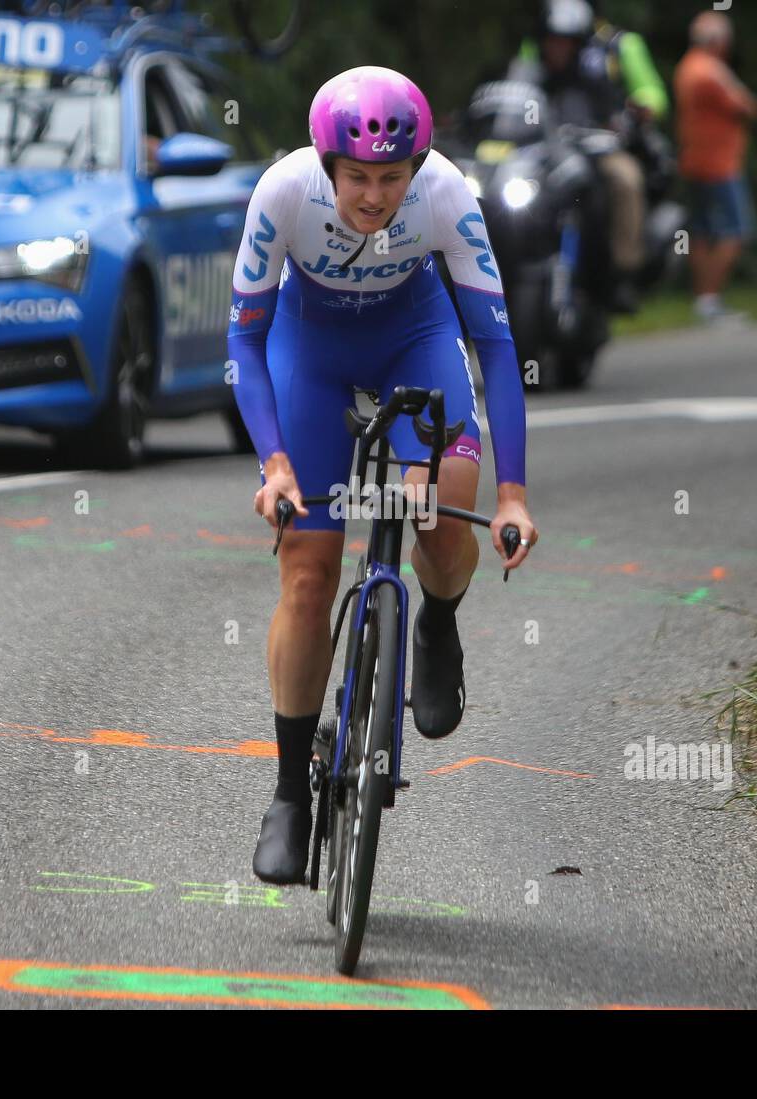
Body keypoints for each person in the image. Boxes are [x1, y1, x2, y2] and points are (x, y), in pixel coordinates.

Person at [227, 67, 540, 883]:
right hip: (312, 355)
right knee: (307, 572)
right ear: (328, 167)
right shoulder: (283, 191)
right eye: (358, 177)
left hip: (415, 340)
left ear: (417, 168)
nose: (373, 196)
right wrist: (276, 463)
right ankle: (292, 792)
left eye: (390, 178)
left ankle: (436, 617)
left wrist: (512, 492)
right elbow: (246, 345)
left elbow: (496, 346)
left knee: (440, 508)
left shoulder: (446, 194)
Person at [511, 0, 668, 313]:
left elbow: (652, 93)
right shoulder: (532, 52)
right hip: (547, 151)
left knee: (626, 180)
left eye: (565, 42)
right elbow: (515, 91)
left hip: (600, 148)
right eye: (552, 40)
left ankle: (624, 270)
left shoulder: (617, 48)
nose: (557, 47)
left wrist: (640, 108)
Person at [673, 10, 757, 325]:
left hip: (696, 161)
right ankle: (710, 301)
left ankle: (703, 300)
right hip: (719, 165)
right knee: (734, 230)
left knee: (703, 231)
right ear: (719, 41)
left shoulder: (687, 67)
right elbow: (747, 106)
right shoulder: (709, 71)